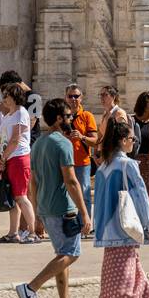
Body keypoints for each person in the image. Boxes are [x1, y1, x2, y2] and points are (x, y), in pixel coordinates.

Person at [15, 98, 92, 298]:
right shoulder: (63, 144)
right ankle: (31, 287)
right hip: (63, 208)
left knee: (62, 256)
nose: (71, 119)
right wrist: (85, 212)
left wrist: (38, 214)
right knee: (72, 253)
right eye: (68, 116)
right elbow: (71, 181)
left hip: (47, 208)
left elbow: (34, 182)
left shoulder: (38, 144)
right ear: (59, 118)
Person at [91, 118, 149, 298]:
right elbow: (141, 197)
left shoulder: (104, 166)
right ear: (124, 140)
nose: (135, 142)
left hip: (108, 228)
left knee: (135, 270)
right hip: (124, 228)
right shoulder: (127, 165)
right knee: (117, 276)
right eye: (133, 139)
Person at [0, 82, 38, 242]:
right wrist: (0, 157)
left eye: (7, 95)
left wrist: (3, 157)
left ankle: (33, 232)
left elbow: (15, 139)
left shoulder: (20, 113)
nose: (4, 98)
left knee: (21, 196)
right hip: (10, 158)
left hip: (18, 158)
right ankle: (13, 233)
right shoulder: (9, 115)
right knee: (13, 197)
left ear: (15, 97)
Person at [64, 84, 98, 218]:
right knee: (65, 195)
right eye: (70, 96)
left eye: (76, 96)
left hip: (82, 162)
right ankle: (69, 224)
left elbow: (95, 140)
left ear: (81, 98)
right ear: (65, 98)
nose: (73, 99)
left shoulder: (87, 116)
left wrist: (82, 137)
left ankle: (85, 224)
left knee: (84, 195)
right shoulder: (61, 116)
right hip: (64, 162)